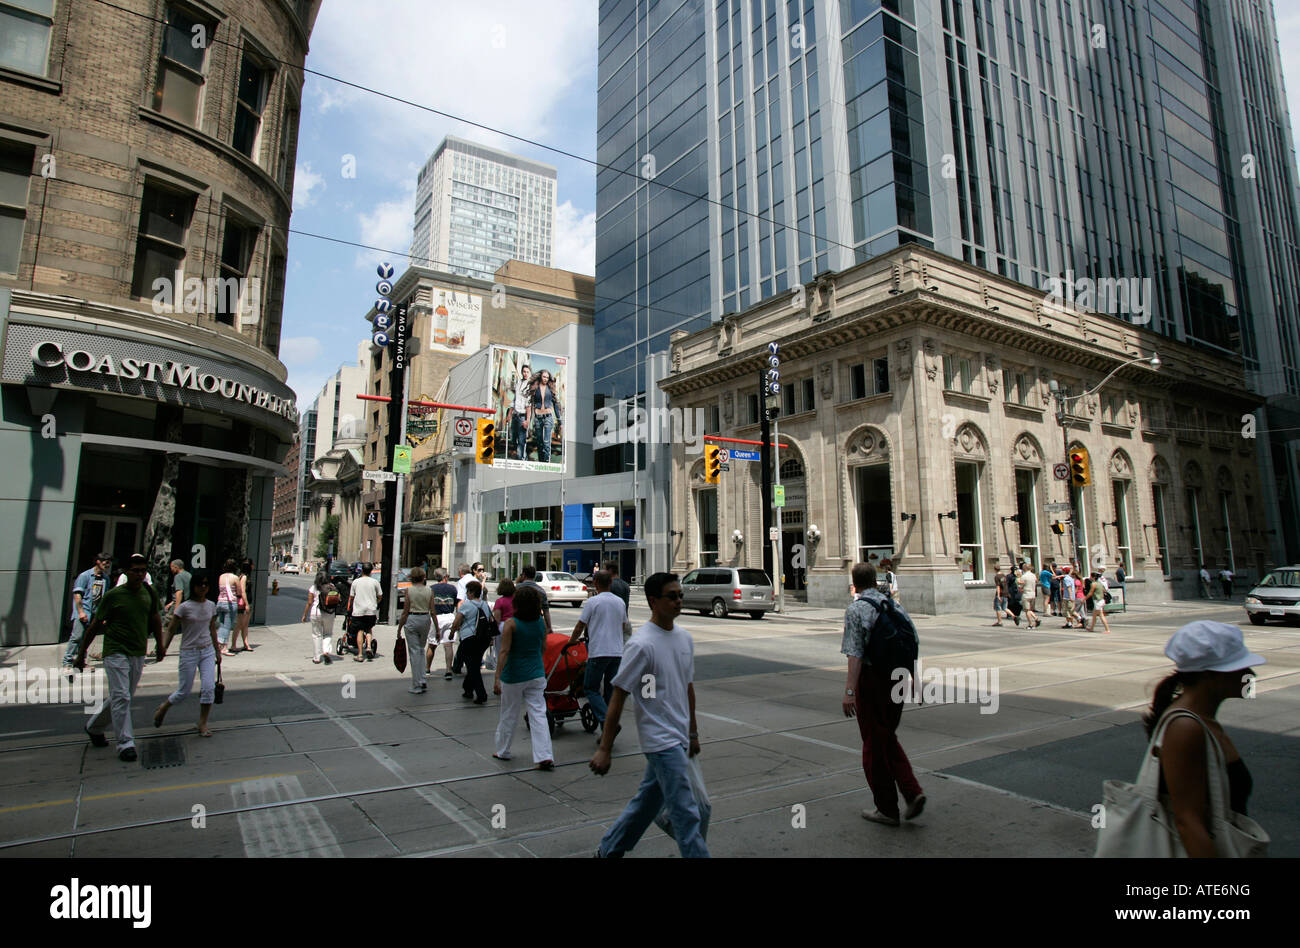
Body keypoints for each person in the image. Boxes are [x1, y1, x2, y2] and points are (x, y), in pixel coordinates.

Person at [590, 573, 708, 858]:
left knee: (646, 805)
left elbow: (687, 688)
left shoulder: (684, 638)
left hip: (679, 737)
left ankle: (607, 850)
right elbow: (619, 694)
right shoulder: (642, 644)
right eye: (672, 596)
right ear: (654, 601)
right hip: (660, 741)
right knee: (689, 813)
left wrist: (692, 733)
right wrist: (605, 748)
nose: (679, 601)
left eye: (680, 595)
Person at [1141, 621, 1264, 856]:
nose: (1251, 674)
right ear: (1210, 676)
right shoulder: (1186, 728)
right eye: (1240, 667)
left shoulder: (1202, 719)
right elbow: (1188, 823)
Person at [840, 562, 925, 827]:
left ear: (854, 583)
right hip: (898, 678)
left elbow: (855, 654)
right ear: (876, 581)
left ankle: (887, 808)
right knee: (886, 736)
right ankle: (912, 792)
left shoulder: (857, 609)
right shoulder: (893, 605)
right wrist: (916, 680)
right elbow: (912, 642)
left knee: (874, 747)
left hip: (874, 681)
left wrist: (850, 692)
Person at [76, 554, 163, 762]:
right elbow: (95, 625)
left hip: (138, 652)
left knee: (122, 696)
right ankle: (125, 743)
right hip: (115, 651)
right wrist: (81, 654)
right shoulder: (114, 596)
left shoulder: (149, 593)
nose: (139, 574)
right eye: (135, 570)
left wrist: (160, 645)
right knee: (122, 697)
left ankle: (94, 727)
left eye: (143, 571)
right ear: (126, 572)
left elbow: (155, 618)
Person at [491, 585, 554, 768]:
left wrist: (497, 677)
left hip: (514, 675)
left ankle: (503, 750)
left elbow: (504, 651)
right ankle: (544, 755)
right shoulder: (540, 623)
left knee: (509, 713)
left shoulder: (511, 624)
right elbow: (543, 648)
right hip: (536, 673)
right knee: (538, 714)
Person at [153, 573, 220, 736]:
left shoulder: (211, 605)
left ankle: (202, 723)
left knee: (208, 688)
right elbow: (171, 629)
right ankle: (164, 707)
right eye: (200, 584)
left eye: (206, 584)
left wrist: (217, 650)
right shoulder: (184, 607)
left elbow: (212, 628)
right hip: (189, 651)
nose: (203, 587)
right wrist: (162, 648)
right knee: (184, 691)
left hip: (207, 651)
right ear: (193, 587)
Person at [566, 571, 625, 735]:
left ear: (596, 583)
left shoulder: (593, 602)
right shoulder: (619, 602)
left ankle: (607, 721)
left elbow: (580, 625)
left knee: (590, 687)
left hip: (599, 651)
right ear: (610, 584)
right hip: (616, 652)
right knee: (609, 690)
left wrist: (571, 641)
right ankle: (608, 727)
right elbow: (623, 625)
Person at [65, 553, 112, 673]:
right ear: (98, 561)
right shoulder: (85, 576)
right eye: (105, 562)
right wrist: (80, 612)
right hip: (84, 611)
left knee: (85, 639)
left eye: (109, 562)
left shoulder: (105, 579)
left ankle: (81, 662)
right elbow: (77, 595)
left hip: (95, 613)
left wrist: (103, 614)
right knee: (76, 637)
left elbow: (104, 598)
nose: (107, 564)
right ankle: (67, 662)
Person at [449, 580, 493, 703]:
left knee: (472, 666)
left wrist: (452, 632)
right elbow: (490, 620)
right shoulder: (485, 604)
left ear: (472, 592)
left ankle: (481, 694)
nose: (467, 593)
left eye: (468, 591)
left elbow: (457, 620)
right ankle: (468, 688)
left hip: (469, 638)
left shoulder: (466, 605)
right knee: (474, 663)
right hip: (483, 639)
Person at [398, 567, 432, 694]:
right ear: (423, 577)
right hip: (425, 618)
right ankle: (422, 678)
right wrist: (438, 629)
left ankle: (416, 683)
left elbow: (405, 611)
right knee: (421, 650)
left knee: (414, 652)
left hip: (412, 618)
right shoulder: (429, 590)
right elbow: (433, 611)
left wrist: (400, 627)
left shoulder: (409, 591)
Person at [347, 562, 383, 662]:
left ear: (362, 570)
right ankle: (368, 647)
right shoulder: (375, 582)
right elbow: (380, 596)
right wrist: (376, 602)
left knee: (360, 630)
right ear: (371, 571)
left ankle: (359, 654)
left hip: (358, 611)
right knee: (369, 629)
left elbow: (351, 597)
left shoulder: (356, 582)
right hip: (371, 610)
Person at [428, 568, 459, 681]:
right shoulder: (452, 589)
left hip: (435, 617)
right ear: (445, 577)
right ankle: (448, 670)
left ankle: (427, 669)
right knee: (448, 644)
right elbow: (456, 603)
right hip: (449, 617)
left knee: (432, 644)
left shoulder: (431, 589)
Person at [301, 570, 335, 665]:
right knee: (328, 633)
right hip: (329, 613)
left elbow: (309, 603)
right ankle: (326, 651)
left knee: (316, 635)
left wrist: (304, 615)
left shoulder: (314, 588)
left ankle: (316, 658)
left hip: (316, 613)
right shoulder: (332, 587)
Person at [528, 369, 562, 463]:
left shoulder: (550, 388)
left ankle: (547, 462)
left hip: (548, 417)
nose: (546, 379)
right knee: (539, 442)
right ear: (540, 377)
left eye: (547, 377)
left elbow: (555, 405)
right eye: (544, 377)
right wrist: (529, 419)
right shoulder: (535, 387)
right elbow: (531, 404)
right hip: (538, 418)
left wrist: (560, 420)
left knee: (547, 442)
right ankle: (541, 461)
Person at [517, 564, 555, 635]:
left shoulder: (517, 588)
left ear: (524, 575)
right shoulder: (541, 591)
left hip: (519, 622)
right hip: (536, 622)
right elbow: (546, 611)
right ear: (534, 576)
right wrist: (549, 627)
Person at [488, 578, 517, 672]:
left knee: (501, 650)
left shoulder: (500, 601)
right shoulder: (516, 600)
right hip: (516, 625)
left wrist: (492, 635)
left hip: (503, 627)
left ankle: (503, 670)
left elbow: (497, 619)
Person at [216, 560, 241, 657]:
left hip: (220, 602)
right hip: (230, 603)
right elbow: (239, 592)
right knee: (227, 626)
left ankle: (219, 645)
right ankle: (224, 647)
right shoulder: (235, 577)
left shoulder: (221, 576)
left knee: (221, 625)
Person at [231, 558, 256, 652]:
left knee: (245, 625)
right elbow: (243, 591)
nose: (253, 566)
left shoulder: (244, 576)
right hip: (244, 604)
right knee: (239, 624)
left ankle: (246, 644)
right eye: (252, 564)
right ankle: (233, 644)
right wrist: (246, 604)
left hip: (247, 602)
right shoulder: (244, 577)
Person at [508, 363, 532, 459]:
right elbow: (514, 400)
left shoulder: (529, 386)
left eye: (527, 372)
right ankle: (519, 456)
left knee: (522, 441)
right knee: (513, 438)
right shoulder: (518, 384)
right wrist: (509, 414)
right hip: (515, 416)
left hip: (522, 416)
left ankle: (522, 459)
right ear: (522, 372)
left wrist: (527, 420)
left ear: (529, 373)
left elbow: (529, 405)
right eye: (524, 371)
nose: (525, 373)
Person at [1018, 564, 1042, 628]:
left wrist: (1019, 584)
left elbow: (1020, 587)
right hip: (1033, 594)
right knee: (1030, 609)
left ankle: (1030, 624)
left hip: (1026, 594)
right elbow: (1036, 581)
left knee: (1027, 610)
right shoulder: (1033, 575)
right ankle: (1036, 619)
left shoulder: (1024, 576)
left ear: (1024, 569)